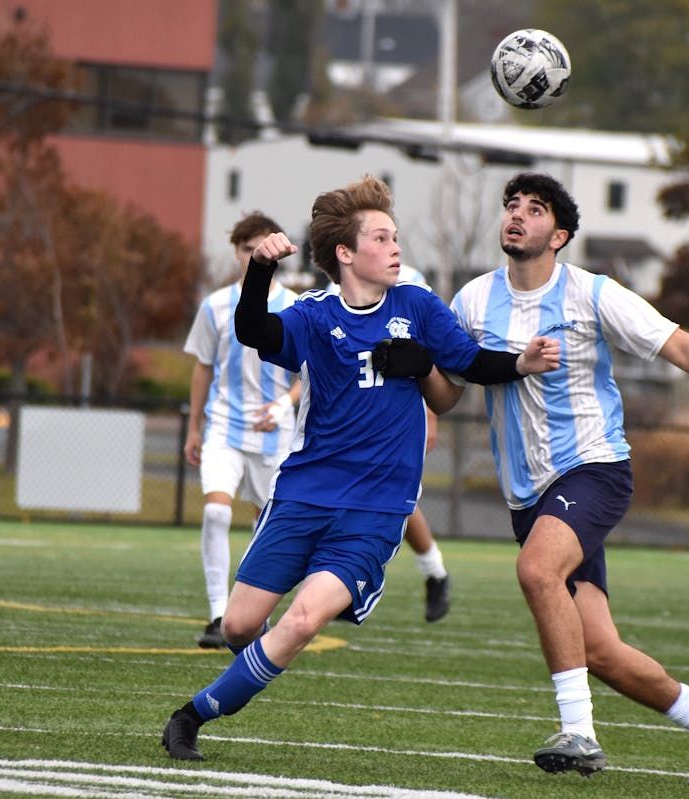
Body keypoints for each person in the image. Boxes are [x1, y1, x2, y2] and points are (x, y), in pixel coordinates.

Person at [423, 172, 689, 786]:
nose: (517, 215)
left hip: (594, 468)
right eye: (511, 206)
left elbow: (679, 347)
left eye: (535, 208)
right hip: (528, 495)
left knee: (535, 571)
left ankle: (579, 733)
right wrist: (415, 365)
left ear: (561, 235)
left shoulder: (593, 294)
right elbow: (448, 394)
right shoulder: (473, 300)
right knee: (599, 651)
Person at [161, 175, 561, 760]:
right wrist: (260, 272)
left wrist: (519, 362)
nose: (396, 246)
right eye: (382, 237)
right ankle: (246, 673)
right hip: (302, 494)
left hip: (374, 509)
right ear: (346, 253)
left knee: (299, 622)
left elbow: (470, 363)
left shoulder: (417, 306)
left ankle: (191, 716)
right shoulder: (315, 315)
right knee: (240, 626)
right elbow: (255, 331)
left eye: (395, 235)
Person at [182, 212, 299, 649]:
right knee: (215, 511)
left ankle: (251, 614)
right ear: (236, 251)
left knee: (267, 527)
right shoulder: (215, 305)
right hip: (224, 429)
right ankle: (217, 614)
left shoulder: (293, 306)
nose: (253, 256)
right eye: (246, 248)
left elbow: (307, 371)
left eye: (261, 247)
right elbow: (202, 368)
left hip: (274, 436)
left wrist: (284, 404)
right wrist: (194, 428)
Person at [325, 264, 451, 622]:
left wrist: (430, 413)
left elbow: (428, 354)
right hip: (350, 416)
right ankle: (340, 579)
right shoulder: (334, 286)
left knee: (398, 503)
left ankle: (434, 573)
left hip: (397, 415)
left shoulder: (409, 283)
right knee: (340, 494)